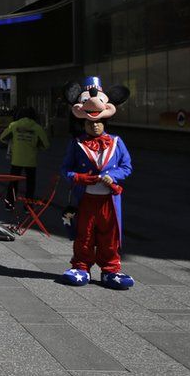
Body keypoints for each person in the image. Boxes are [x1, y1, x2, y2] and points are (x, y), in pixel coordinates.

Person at [59, 77, 135, 290]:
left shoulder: (117, 142)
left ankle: (110, 270)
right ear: (83, 123)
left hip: (109, 200)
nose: (94, 125)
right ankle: (81, 267)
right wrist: (78, 178)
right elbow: (65, 169)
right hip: (85, 199)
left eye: (98, 122)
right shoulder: (77, 144)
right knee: (84, 235)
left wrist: (114, 175)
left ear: (105, 121)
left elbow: (127, 167)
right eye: (90, 123)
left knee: (109, 236)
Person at [0, 106, 49, 210]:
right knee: (30, 185)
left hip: (16, 159)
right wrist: (36, 146)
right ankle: (28, 206)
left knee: (13, 183)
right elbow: (46, 145)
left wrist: (13, 143)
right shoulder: (37, 128)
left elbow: (2, 137)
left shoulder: (14, 125)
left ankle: (9, 204)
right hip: (31, 161)